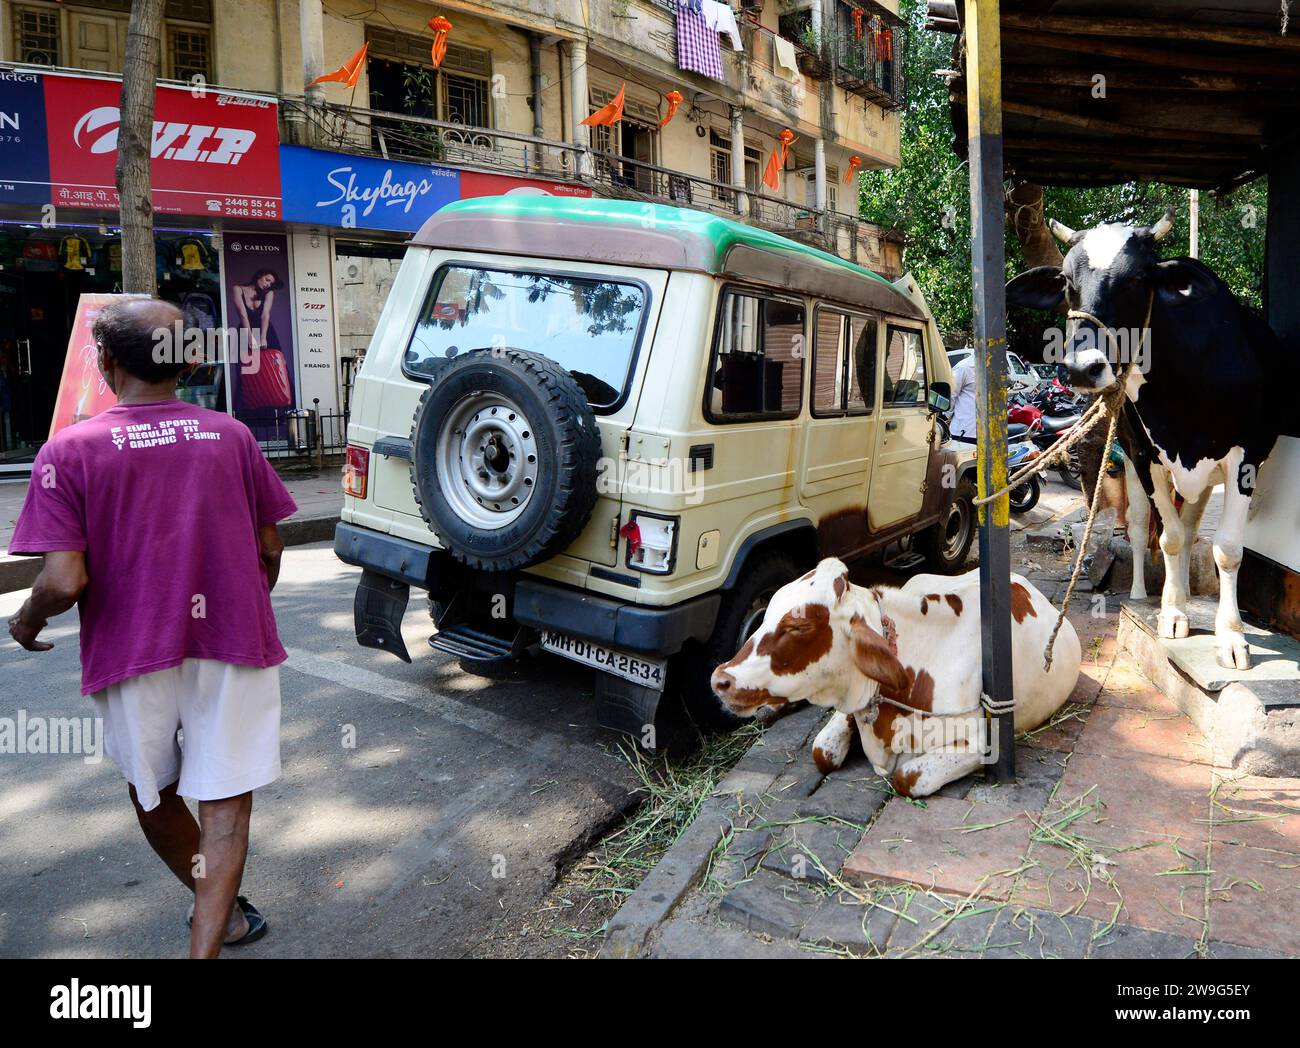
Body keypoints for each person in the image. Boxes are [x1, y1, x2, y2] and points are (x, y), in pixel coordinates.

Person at [7, 298, 297, 958]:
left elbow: (62, 582)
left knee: (154, 789)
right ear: (188, 361)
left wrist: (25, 620)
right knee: (225, 799)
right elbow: (271, 548)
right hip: (231, 642)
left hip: (131, 649)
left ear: (104, 362)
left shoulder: (68, 451)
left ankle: (219, 922)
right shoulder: (232, 436)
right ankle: (215, 931)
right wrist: (248, 604)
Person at [947, 352, 977, 441]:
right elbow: (951, 394)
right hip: (966, 431)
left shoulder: (996, 368)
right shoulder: (964, 367)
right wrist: (946, 416)